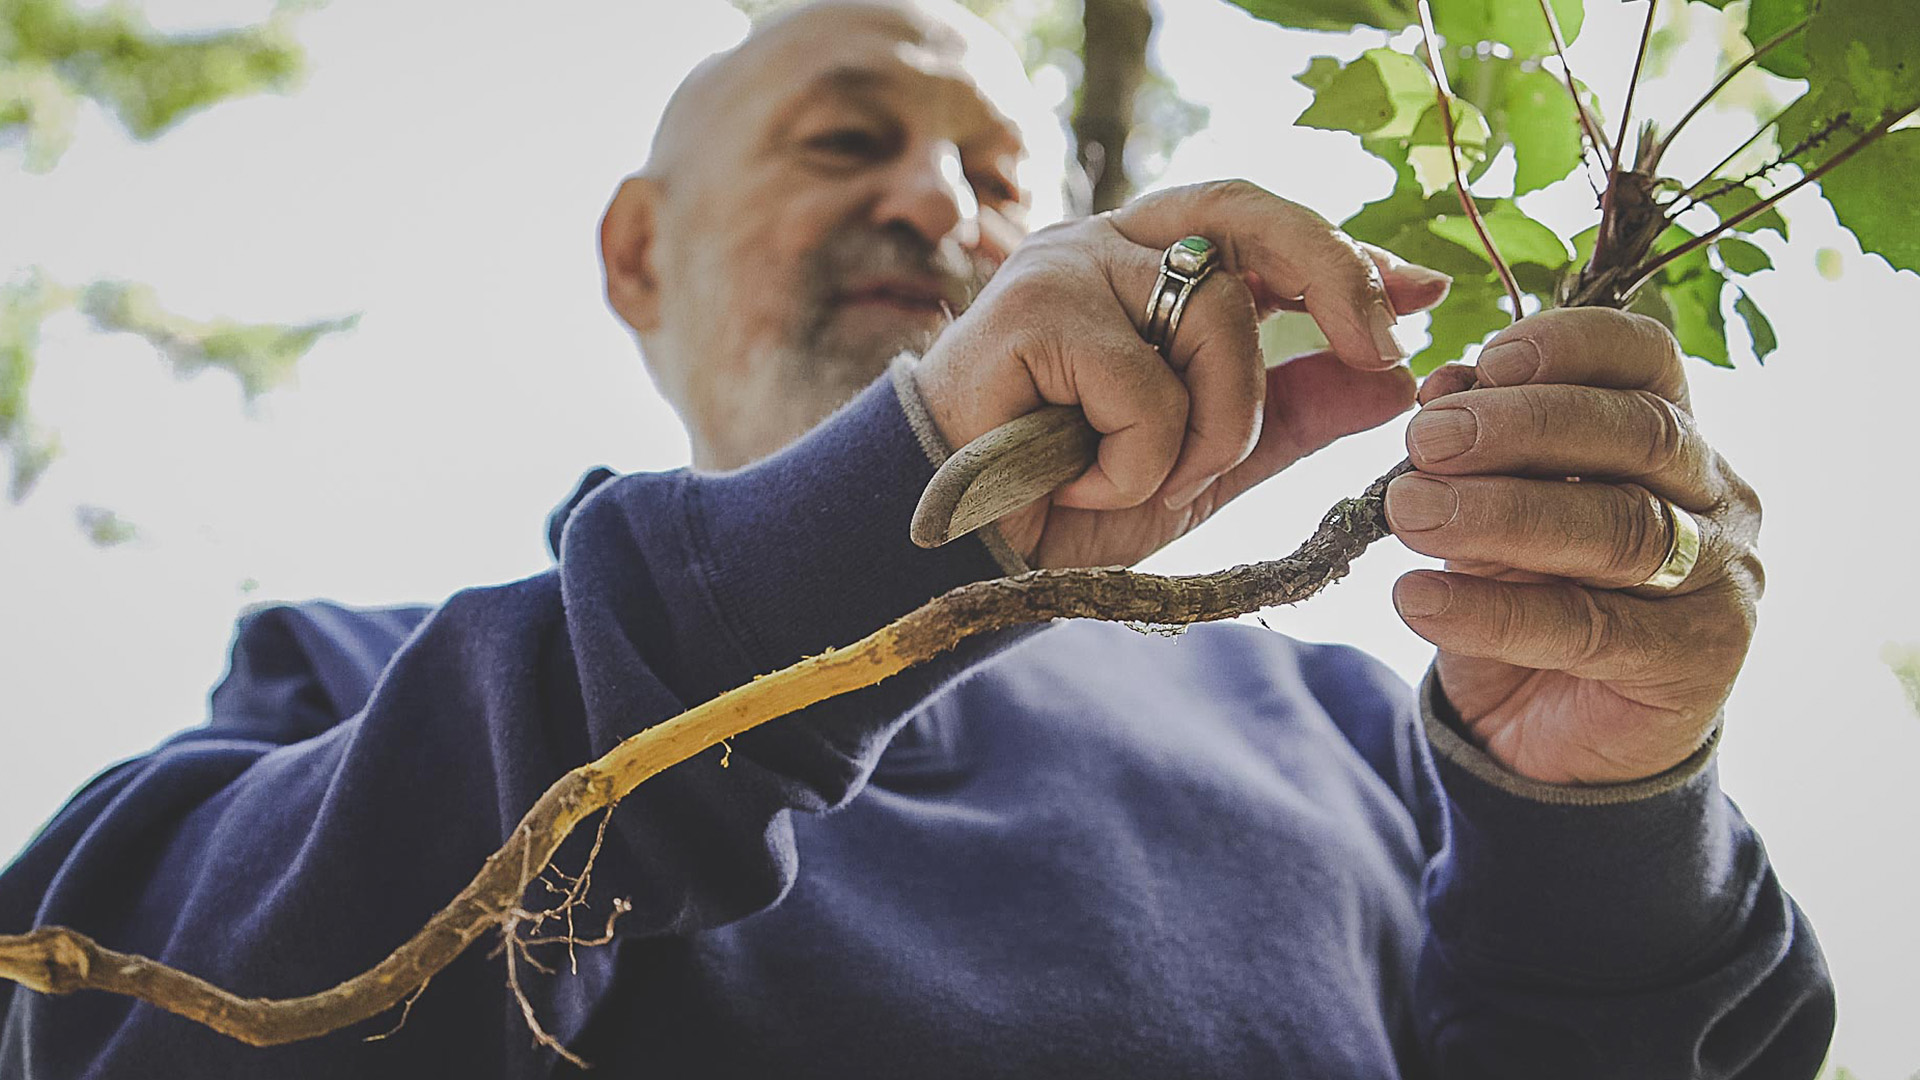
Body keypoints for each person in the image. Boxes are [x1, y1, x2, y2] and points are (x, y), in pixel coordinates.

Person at [0, 0, 1834, 1076]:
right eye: (844, 138)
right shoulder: (356, 684)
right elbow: (110, 1024)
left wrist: (1606, 821)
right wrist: (869, 516)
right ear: (642, 250)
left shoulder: (1363, 740)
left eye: (1003, 178)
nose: (938, 201)